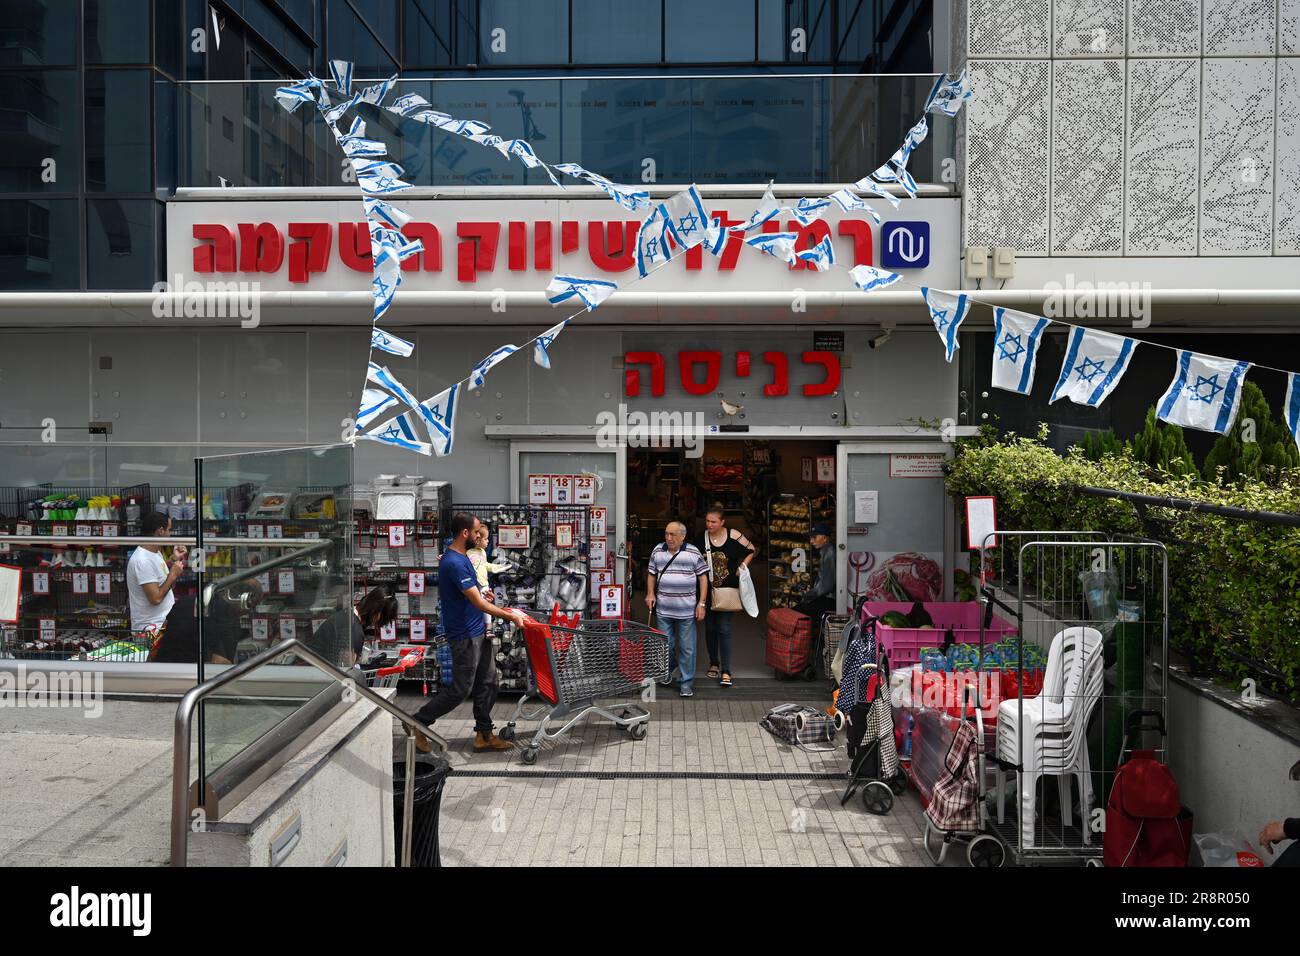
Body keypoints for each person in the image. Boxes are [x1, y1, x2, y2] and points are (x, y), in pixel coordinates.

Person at [413, 513, 528, 752]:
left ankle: (484, 735)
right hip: (464, 635)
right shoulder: (454, 562)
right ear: (465, 533)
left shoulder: (463, 557)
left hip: (477, 631)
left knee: (488, 681)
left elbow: (473, 593)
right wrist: (510, 615)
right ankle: (418, 723)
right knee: (460, 689)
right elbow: (477, 603)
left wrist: (485, 594)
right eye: (477, 532)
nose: (480, 536)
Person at [645, 521, 708, 697]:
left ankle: (686, 682)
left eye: (673, 534)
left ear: (683, 536)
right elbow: (651, 573)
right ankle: (670, 667)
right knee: (667, 645)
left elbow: (703, 578)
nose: (668, 538)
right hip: (663, 610)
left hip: (687, 611)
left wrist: (701, 603)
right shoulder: (658, 550)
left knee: (687, 648)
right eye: (666, 534)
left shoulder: (693, 552)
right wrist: (650, 594)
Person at [695, 505, 755, 688]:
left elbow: (752, 549)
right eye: (707, 521)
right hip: (707, 591)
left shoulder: (733, 536)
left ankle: (726, 670)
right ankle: (714, 662)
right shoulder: (701, 539)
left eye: (713, 522)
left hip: (728, 591)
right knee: (710, 629)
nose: (710, 524)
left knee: (724, 628)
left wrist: (743, 566)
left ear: (722, 522)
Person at [305, 585, 398, 667]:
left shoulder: (347, 615)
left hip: (309, 666)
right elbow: (346, 668)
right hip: (314, 673)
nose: (378, 625)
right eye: (382, 619)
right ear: (377, 612)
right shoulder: (355, 631)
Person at [127, 512, 186, 638]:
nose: (170, 534)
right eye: (169, 530)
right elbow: (156, 598)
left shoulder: (155, 553)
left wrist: (174, 560)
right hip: (151, 630)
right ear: (160, 531)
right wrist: (173, 575)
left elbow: (161, 580)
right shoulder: (142, 560)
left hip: (161, 626)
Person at [794, 523, 836, 620]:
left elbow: (827, 586)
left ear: (825, 538)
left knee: (795, 612)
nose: (811, 541)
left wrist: (810, 595)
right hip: (824, 597)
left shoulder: (830, 553)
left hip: (829, 600)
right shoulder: (825, 551)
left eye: (814, 537)